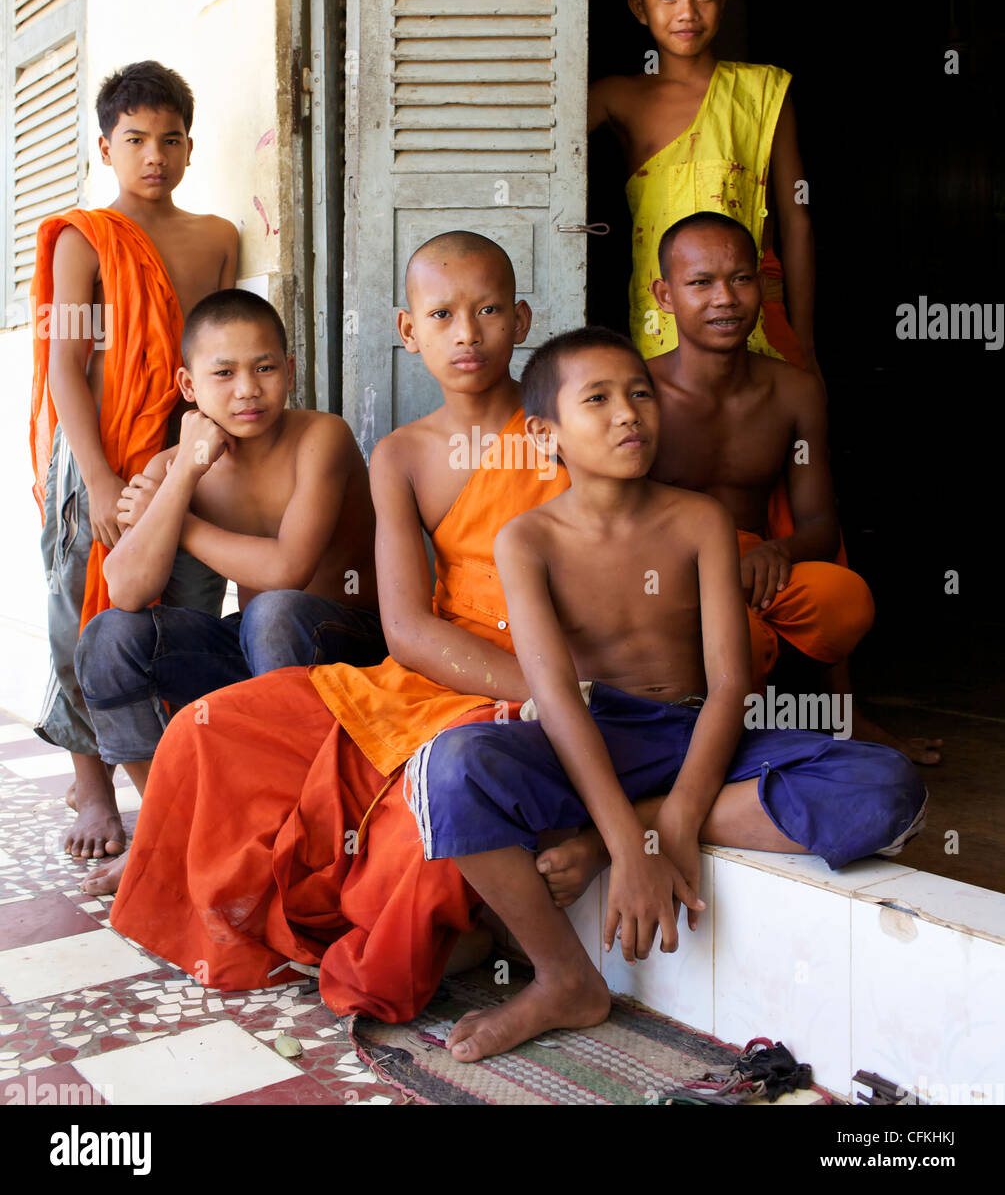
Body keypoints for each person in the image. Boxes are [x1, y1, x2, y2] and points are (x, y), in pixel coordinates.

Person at [404, 327, 926, 1062]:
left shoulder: (698, 520)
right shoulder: (527, 540)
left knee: (883, 784)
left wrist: (665, 826)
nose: (628, 413)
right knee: (448, 767)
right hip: (593, 736)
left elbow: (728, 685)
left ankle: (609, 832)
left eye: (639, 393)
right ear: (544, 433)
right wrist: (631, 841)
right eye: (599, 399)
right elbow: (554, 699)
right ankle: (564, 980)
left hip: (695, 736)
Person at [108, 232, 569, 1024]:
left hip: (533, 673)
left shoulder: (567, 426)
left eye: (488, 310)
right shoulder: (401, 454)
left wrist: (555, 696)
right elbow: (410, 628)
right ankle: (255, 893)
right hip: (424, 671)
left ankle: (411, 918)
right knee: (206, 731)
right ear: (406, 329)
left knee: (410, 794)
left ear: (521, 319)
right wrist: (174, 482)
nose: (467, 333)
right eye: (443, 314)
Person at [73, 289, 386, 894]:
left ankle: (293, 835)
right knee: (109, 637)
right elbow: (127, 590)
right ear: (190, 387)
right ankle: (172, 829)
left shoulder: (321, 437)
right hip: (260, 656)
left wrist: (182, 520)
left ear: (289, 372)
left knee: (272, 611)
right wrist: (186, 472)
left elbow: (288, 569)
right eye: (224, 373)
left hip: (348, 646)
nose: (247, 389)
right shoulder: (177, 465)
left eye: (264, 368)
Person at [29, 60, 238, 863]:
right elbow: (64, 366)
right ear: (106, 149)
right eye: (136, 140)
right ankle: (91, 781)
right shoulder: (84, 239)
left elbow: (217, 354)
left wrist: (198, 458)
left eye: (171, 139)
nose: (155, 155)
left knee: (182, 610)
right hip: (96, 457)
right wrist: (106, 480)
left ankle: (179, 776)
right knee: (77, 612)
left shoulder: (216, 239)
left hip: (184, 451)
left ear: (190, 147)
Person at [647, 211, 941, 764]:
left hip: (759, 569)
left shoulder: (795, 391)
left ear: (762, 284)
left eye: (741, 278)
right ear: (665, 295)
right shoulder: (638, 392)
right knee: (744, 642)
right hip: (669, 578)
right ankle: (715, 749)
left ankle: (835, 720)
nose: (725, 299)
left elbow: (820, 525)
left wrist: (777, 550)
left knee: (844, 599)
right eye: (700, 282)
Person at [588, 0, 816, 374]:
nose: (687, 12)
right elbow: (538, 138)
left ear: (723, 1)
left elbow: (797, 220)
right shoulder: (619, 96)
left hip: (756, 319)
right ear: (640, 8)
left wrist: (805, 342)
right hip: (662, 319)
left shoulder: (763, 91)